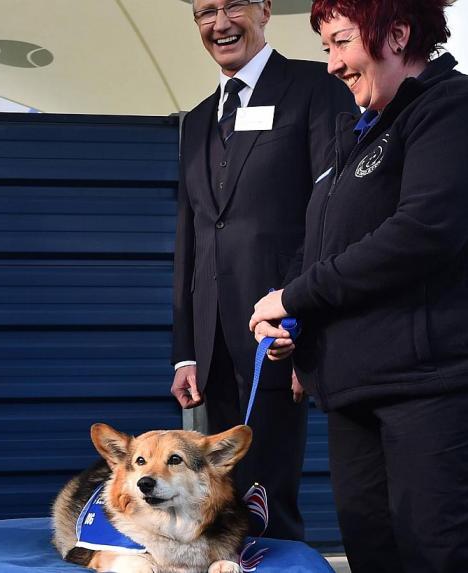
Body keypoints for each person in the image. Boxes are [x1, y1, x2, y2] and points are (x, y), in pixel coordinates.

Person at [248, 0, 468, 569]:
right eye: (326, 47)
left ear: (396, 35)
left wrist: (295, 295)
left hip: (426, 389)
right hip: (352, 392)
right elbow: (328, 248)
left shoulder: (450, 107)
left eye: (341, 42)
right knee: (371, 551)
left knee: (434, 552)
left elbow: (422, 232)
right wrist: (300, 327)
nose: (331, 64)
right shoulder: (358, 134)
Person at [171, 0, 356, 540]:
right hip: (213, 344)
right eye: (206, 11)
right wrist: (186, 350)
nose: (220, 23)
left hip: (277, 330)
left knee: (270, 496)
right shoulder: (199, 118)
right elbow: (193, 236)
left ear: (266, 10)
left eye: (233, 6)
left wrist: (302, 314)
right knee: (222, 502)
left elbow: (329, 212)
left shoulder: (313, 87)